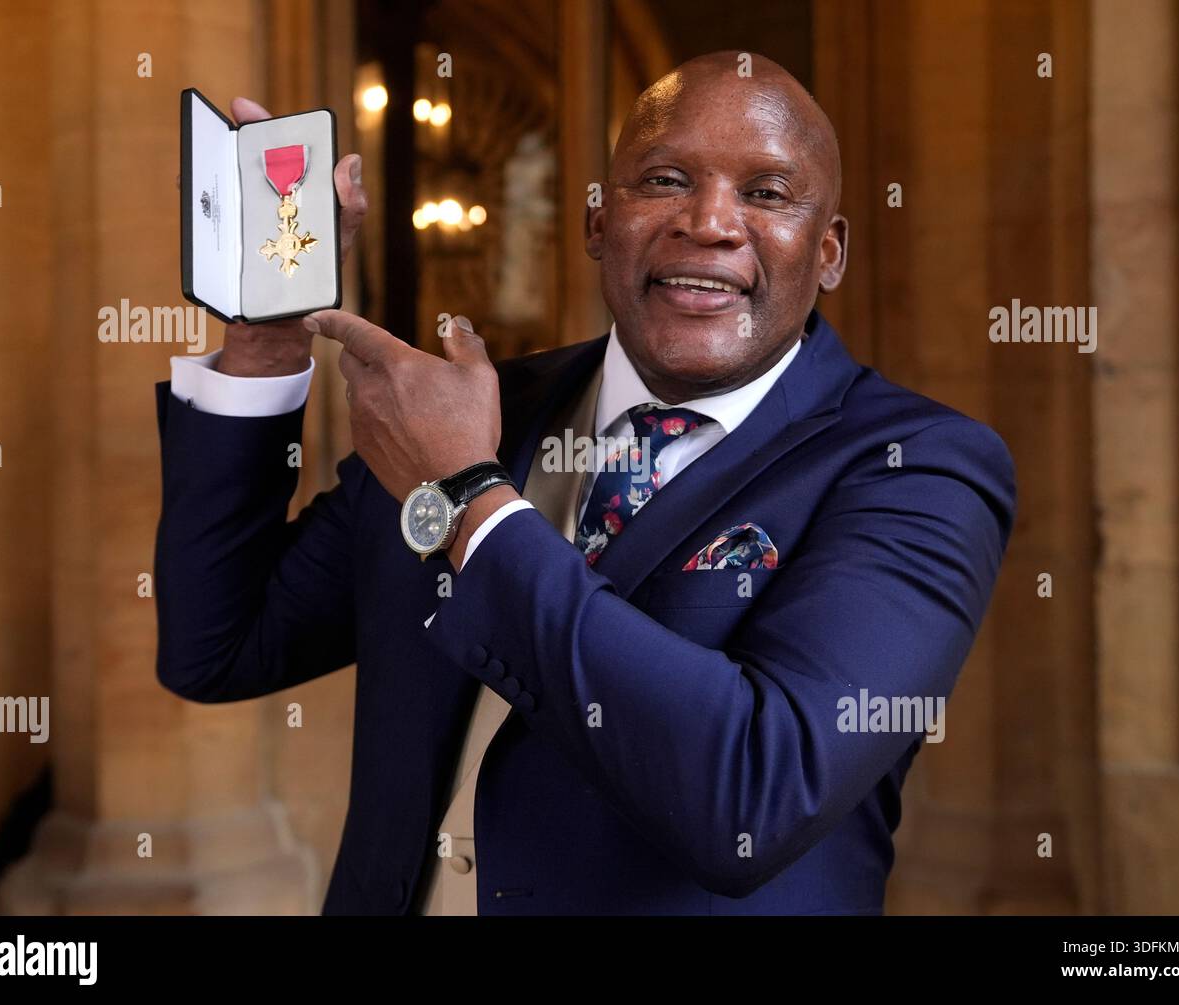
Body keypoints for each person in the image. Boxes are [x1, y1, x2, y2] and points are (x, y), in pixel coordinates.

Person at [155, 51, 1015, 915]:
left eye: (766, 193)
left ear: (827, 251)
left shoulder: (921, 467)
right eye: (666, 179)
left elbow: (753, 795)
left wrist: (469, 498)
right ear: (598, 222)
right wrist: (267, 342)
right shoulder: (475, 405)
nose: (710, 222)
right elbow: (218, 645)